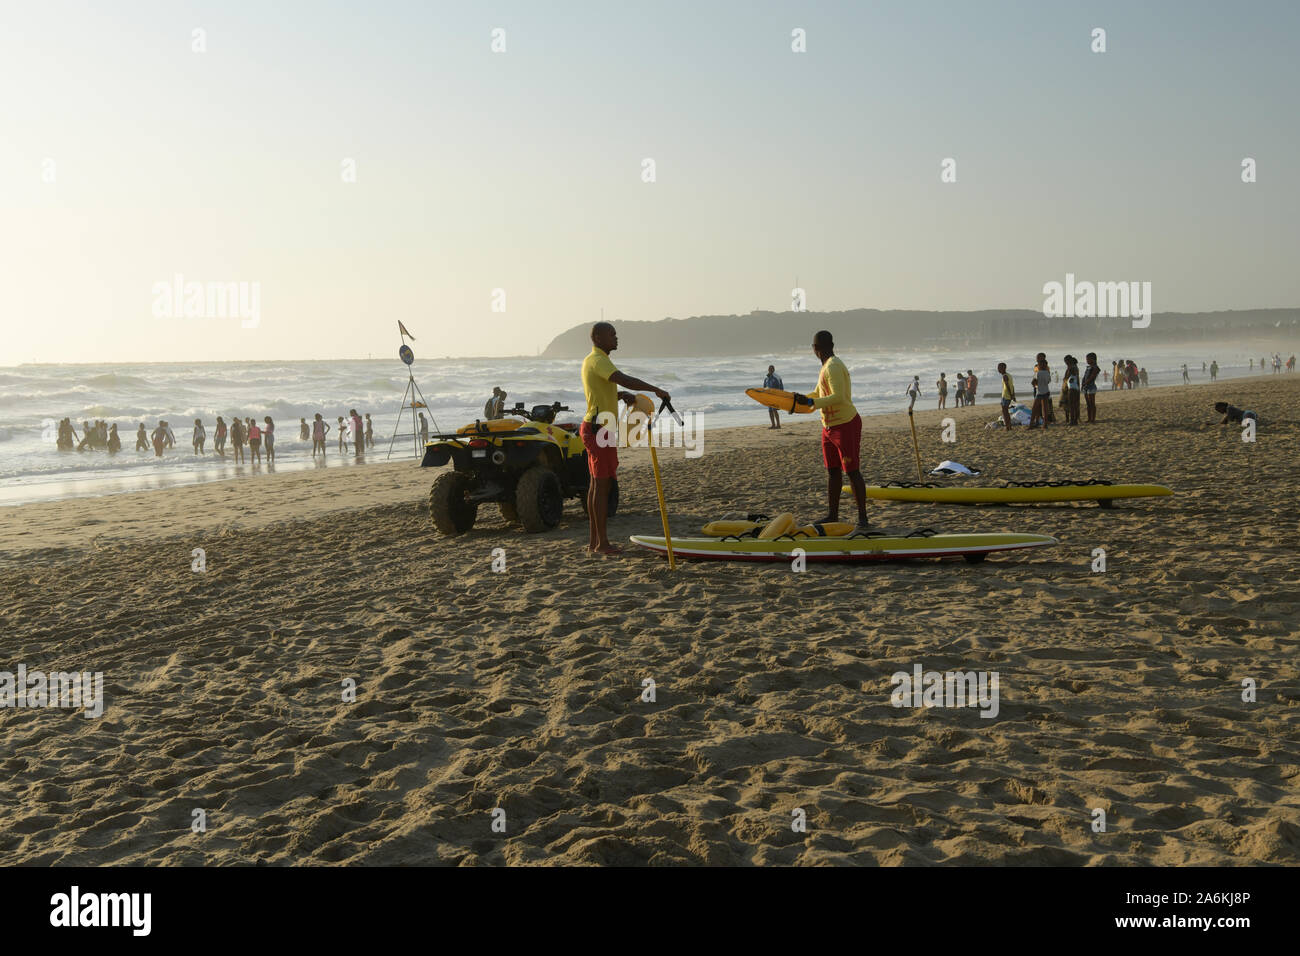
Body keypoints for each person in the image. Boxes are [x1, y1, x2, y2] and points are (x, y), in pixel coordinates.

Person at [580, 321, 670, 556]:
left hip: (598, 426)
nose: (616, 338)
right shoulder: (599, 360)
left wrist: (621, 395)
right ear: (598, 338)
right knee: (601, 486)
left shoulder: (595, 360)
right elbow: (624, 378)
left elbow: (601, 389)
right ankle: (601, 544)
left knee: (595, 485)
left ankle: (594, 543)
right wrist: (655, 390)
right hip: (599, 428)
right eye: (612, 334)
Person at [792, 331, 868, 528]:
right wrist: (798, 402)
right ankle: (832, 515)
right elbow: (819, 393)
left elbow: (838, 397)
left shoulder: (833, 366)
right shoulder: (826, 366)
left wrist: (811, 402)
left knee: (852, 471)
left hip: (845, 424)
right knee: (833, 472)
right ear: (831, 344)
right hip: (828, 427)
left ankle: (863, 519)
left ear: (815, 349)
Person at [1030, 354, 1051, 429]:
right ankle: (1045, 424)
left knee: (1034, 408)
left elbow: (1033, 382)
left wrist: (1036, 384)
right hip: (1046, 391)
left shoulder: (1038, 372)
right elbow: (1049, 381)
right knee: (1045, 409)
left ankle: (1031, 424)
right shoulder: (1047, 372)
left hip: (1039, 392)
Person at [763, 365, 783, 429]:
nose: (770, 370)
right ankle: (773, 425)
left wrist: (780, 396)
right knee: (770, 411)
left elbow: (781, 387)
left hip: (775, 396)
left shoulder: (776, 377)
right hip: (769, 397)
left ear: (774, 370)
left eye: (772, 369)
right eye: (769, 369)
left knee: (774, 410)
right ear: (768, 369)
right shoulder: (766, 378)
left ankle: (778, 425)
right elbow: (764, 387)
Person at [1082, 352, 1100, 424]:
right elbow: (1084, 376)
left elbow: (1092, 376)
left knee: (1092, 403)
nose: (1087, 361)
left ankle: (1093, 418)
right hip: (1086, 387)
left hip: (1091, 387)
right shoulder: (1088, 367)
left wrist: (1085, 383)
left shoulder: (1096, 367)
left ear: (1093, 359)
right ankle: (1089, 418)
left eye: (1088, 359)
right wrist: (1083, 384)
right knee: (1088, 404)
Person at [1063, 355, 1081, 426]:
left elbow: (1066, 377)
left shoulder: (1071, 368)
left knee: (1072, 405)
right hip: (1075, 387)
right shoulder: (1075, 367)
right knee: (1075, 404)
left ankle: (1073, 420)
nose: (1066, 363)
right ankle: (1075, 419)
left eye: (1066, 361)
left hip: (1072, 388)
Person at [997, 362, 1016, 430]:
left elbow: (1008, 386)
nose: (998, 370)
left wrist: (1011, 395)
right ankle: (1008, 426)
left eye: (999, 368)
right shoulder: (1009, 375)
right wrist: (1013, 395)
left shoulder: (1005, 376)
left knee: (1005, 412)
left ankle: (1008, 426)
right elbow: (1012, 386)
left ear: (1003, 368)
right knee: (1005, 411)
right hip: (1007, 395)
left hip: (1006, 395)